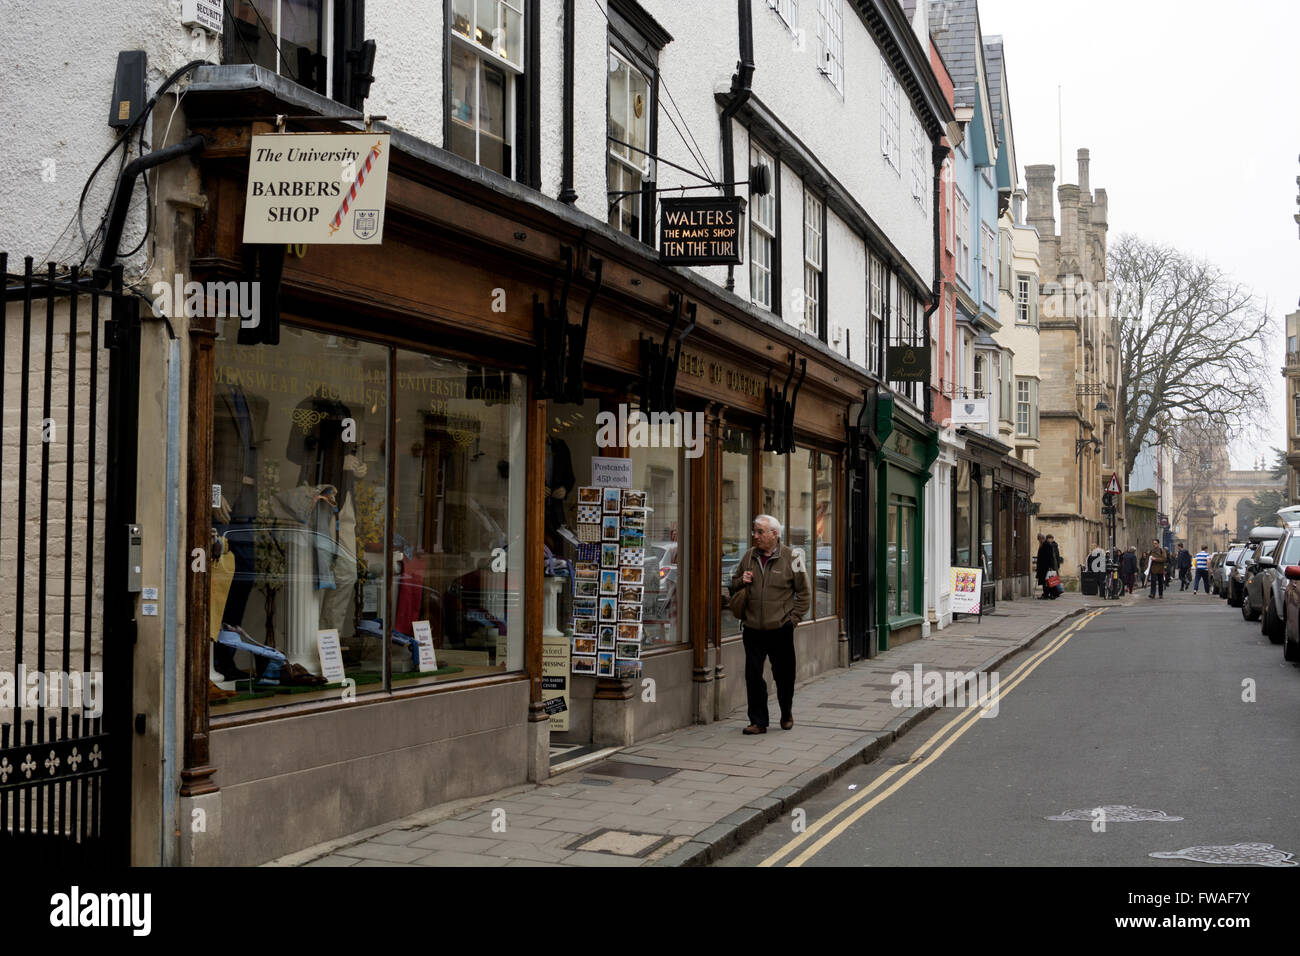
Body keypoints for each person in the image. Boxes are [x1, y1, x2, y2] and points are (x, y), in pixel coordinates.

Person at [729, 514, 810, 735]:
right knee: (753, 675)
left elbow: (804, 593)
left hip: (780, 628)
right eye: (754, 532)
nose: (755, 536)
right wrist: (741, 581)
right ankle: (758, 721)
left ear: (774, 534)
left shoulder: (791, 557)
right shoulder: (748, 557)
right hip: (753, 628)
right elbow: (733, 584)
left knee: (784, 675)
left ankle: (786, 712)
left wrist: (792, 621)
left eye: (759, 532)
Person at [1035, 533, 1055, 599]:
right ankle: (1046, 594)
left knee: (1046, 582)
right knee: (1045, 582)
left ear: (1042, 538)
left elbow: (1050, 557)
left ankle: (1047, 594)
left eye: (1039, 539)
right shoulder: (1043, 544)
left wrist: (1050, 566)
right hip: (1043, 567)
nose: (1039, 541)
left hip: (1045, 567)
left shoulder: (1047, 545)